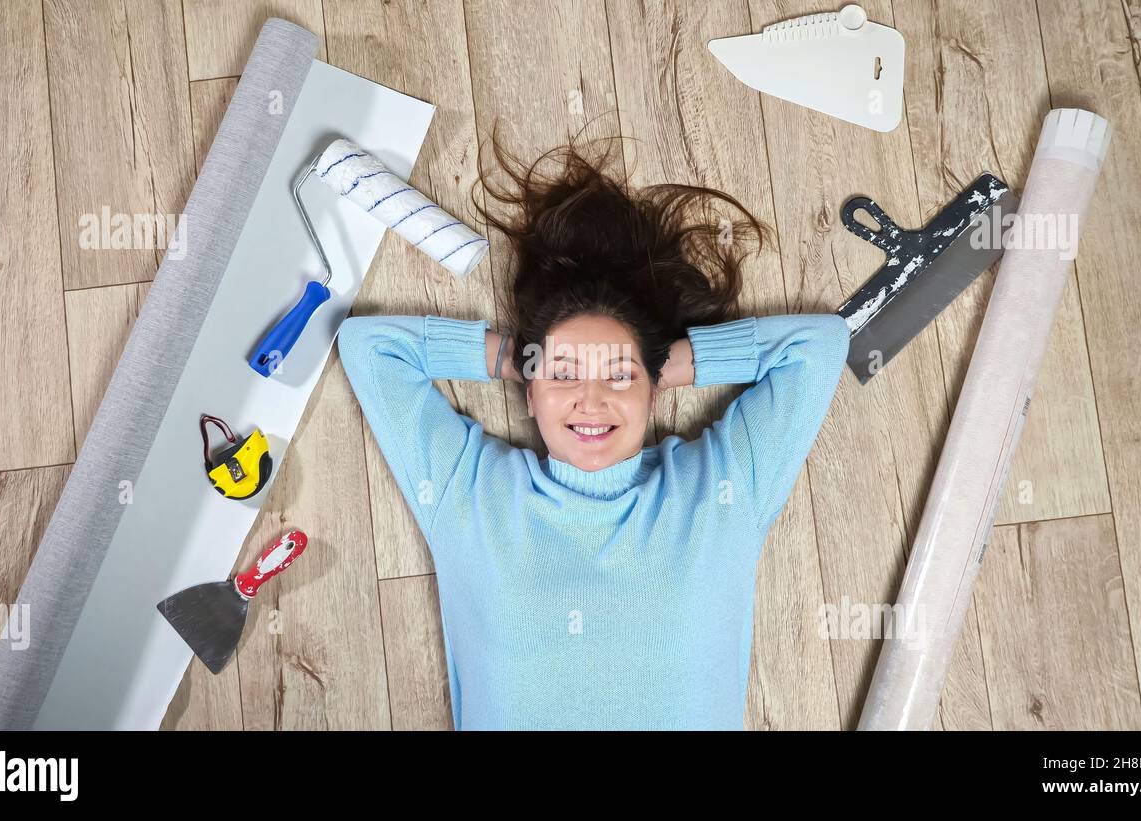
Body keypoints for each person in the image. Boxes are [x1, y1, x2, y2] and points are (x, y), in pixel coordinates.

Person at [336, 131, 849, 730]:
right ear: (530, 393)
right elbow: (368, 348)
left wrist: (664, 363)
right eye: (564, 376)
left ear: (653, 394)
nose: (591, 398)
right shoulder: (471, 495)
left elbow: (818, 346)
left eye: (618, 376)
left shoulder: (718, 494)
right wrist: (521, 357)